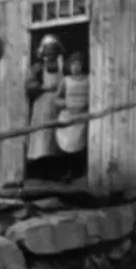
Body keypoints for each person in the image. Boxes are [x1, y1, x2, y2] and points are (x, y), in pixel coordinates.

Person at [25, 35, 64, 182]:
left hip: (57, 105)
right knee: (41, 137)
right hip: (42, 105)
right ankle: (39, 173)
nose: (49, 55)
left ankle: (54, 172)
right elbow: (29, 86)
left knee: (55, 138)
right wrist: (44, 87)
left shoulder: (62, 67)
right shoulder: (38, 69)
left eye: (52, 52)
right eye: (47, 52)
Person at [54, 51, 89, 181]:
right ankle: (67, 171)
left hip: (82, 115)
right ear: (69, 66)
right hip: (68, 115)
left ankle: (78, 171)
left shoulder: (89, 79)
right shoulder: (65, 80)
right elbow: (56, 99)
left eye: (79, 64)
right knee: (66, 142)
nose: (76, 67)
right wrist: (65, 103)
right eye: (73, 64)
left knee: (79, 142)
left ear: (82, 65)